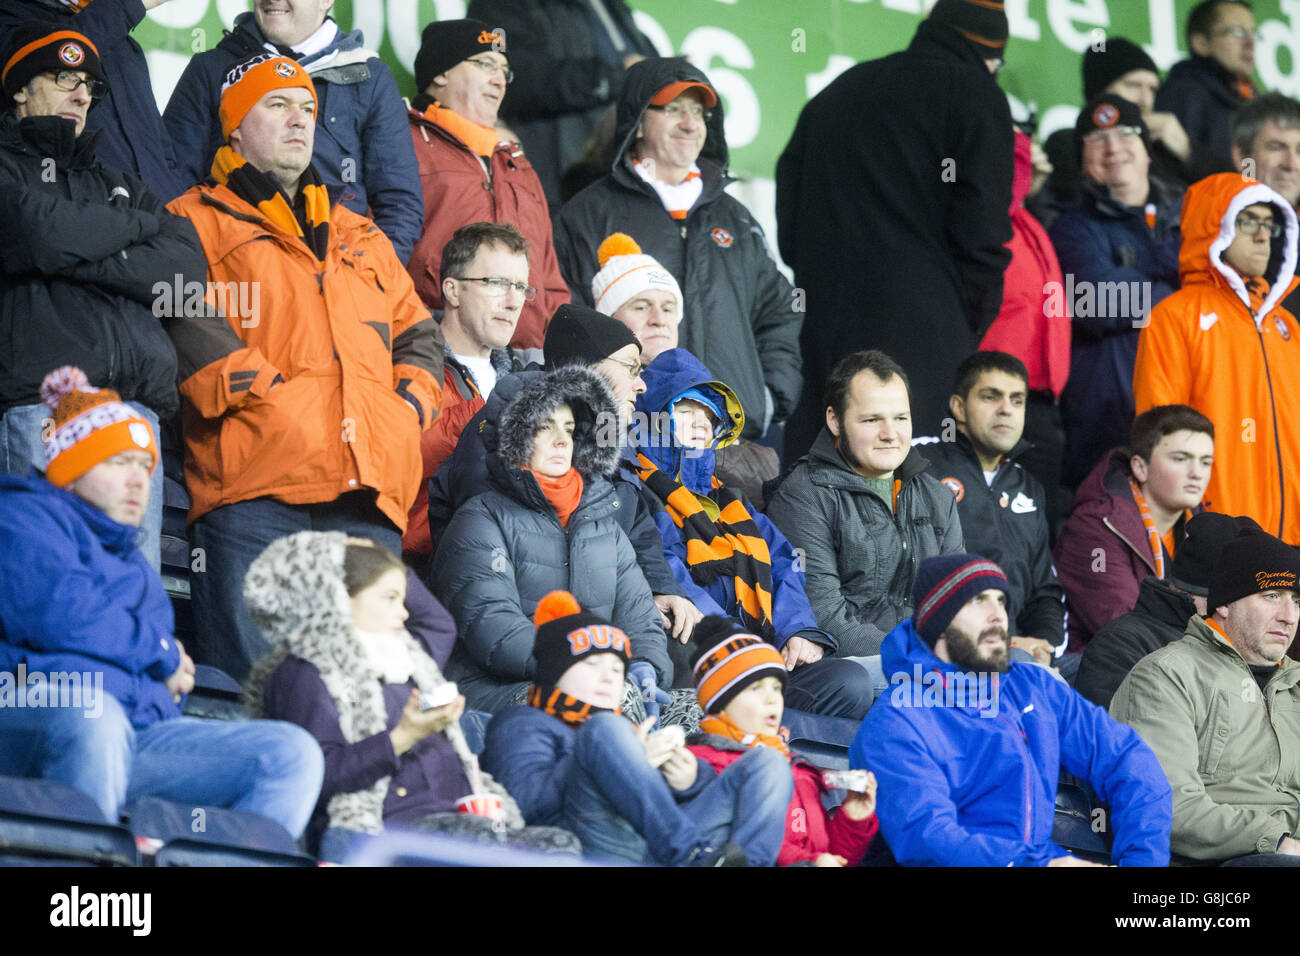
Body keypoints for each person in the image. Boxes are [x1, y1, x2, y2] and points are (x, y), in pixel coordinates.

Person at [166, 55, 444, 681]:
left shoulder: (361, 233)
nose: (300, 120)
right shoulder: (191, 219)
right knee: (256, 696)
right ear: (234, 127)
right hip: (254, 489)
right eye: (278, 105)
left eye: (309, 109)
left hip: (365, 491)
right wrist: (276, 407)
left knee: (368, 701)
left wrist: (402, 415)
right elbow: (187, 321)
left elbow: (421, 339)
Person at [0, 368, 324, 835]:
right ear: (70, 471)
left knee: (289, 753)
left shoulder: (131, 560)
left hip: (126, 736)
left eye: (144, 466)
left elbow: (155, 676)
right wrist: (165, 656)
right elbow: (65, 618)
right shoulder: (23, 517)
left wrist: (163, 677)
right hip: (36, 721)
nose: (138, 481)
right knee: (95, 716)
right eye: (118, 463)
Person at [0, 22, 208, 571]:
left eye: (89, 84)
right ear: (20, 88)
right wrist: (134, 234)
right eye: (62, 77)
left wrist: (77, 252)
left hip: (135, 409)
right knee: (53, 587)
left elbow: (186, 282)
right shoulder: (6, 170)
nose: (81, 93)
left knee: (129, 588)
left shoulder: (122, 183)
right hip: (43, 407)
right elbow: (39, 235)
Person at [244, 532, 577, 862]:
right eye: (389, 599)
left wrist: (377, 556)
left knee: (560, 845)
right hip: (386, 831)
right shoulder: (307, 672)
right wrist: (402, 737)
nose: (404, 613)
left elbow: (437, 623)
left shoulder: (406, 659)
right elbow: (319, 775)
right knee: (488, 842)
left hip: (459, 818)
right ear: (339, 599)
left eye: (403, 600)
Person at [776, 0, 1013, 454]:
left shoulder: (836, 92)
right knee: (913, 505)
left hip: (824, 332)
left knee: (813, 496)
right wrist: (967, 322)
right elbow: (982, 230)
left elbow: (790, 222)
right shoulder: (976, 94)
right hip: (925, 344)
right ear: (991, 55)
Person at [853, 553, 1172, 866]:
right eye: (978, 601)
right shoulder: (898, 718)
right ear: (938, 622)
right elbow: (930, 839)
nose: (998, 616)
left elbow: (1127, 759)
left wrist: (1144, 859)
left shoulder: (1033, 687)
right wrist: (1043, 864)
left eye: (1001, 602)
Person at [555, 57, 803, 445]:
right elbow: (567, 321)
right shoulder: (586, 215)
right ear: (637, 121)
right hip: (634, 440)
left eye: (698, 112)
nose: (690, 124)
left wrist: (768, 398)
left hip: (737, 438)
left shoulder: (735, 217)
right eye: (673, 110)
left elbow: (780, 310)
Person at [427, 303, 700, 644]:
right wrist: (588, 649)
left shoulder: (605, 438)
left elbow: (636, 527)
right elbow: (500, 575)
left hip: (597, 627)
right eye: (631, 368)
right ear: (585, 368)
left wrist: (662, 589)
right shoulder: (509, 426)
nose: (640, 386)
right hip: (531, 639)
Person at [630, 348, 874, 720]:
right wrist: (736, 643)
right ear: (652, 420)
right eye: (686, 411)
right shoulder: (638, 493)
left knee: (851, 681)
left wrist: (799, 630)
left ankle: (784, 752)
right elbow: (667, 573)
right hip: (703, 658)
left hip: (764, 656)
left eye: (709, 417)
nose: (700, 424)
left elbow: (786, 565)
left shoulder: (734, 502)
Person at [481, 591, 792, 865]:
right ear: (554, 672)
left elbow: (659, 804)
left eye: (617, 668)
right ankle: (693, 854)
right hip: (590, 845)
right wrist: (607, 760)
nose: (608, 677)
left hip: (653, 847)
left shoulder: (625, 730)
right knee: (605, 728)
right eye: (592, 664)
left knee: (767, 762)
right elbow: (522, 807)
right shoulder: (520, 722)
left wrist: (690, 781)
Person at [431, 365, 673, 715]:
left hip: (601, 683)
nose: (562, 440)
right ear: (514, 438)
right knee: (612, 707)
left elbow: (639, 617)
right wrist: (584, 666)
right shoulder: (480, 518)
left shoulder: (603, 521)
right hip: (496, 691)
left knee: (700, 714)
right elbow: (492, 628)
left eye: (570, 429)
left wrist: (644, 665)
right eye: (545, 427)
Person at [164, 0, 422, 262]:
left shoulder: (369, 76)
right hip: (233, 268)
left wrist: (365, 282)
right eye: (277, 105)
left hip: (338, 272)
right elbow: (170, 182)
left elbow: (400, 204)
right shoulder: (211, 69)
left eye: (307, 109)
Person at [766, 351, 963, 678]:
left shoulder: (938, 496)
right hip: (849, 668)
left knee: (1028, 672)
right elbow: (826, 619)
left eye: (900, 418)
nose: (891, 434)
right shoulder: (801, 496)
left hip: (930, 665)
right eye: (872, 420)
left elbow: (956, 604)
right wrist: (922, 664)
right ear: (834, 420)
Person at [1110, 527, 1300, 865]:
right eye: (1272, 595)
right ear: (1225, 604)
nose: (1289, 616)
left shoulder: (1295, 684)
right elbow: (1164, 804)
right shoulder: (1166, 675)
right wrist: (1277, 841)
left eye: (1296, 600)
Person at [1133, 173, 1300, 542]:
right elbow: (1162, 439)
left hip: (1290, 543)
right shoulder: (1172, 317)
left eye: (1269, 225)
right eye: (1247, 221)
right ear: (1215, 227)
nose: (1261, 235)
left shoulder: (1287, 325)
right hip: (1214, 540)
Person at [405, 19, 569, 349]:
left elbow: (550, 278)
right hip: (435, 353)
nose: (499, 80)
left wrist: (549, 346)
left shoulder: (518, 164)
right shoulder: (402, 145)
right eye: (485, 64)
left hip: (527, 361)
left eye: (504, 71)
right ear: (441, 72)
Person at [1048, 95, 1182, 493]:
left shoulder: (1189, 214)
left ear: (1146, 148)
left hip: (1186, 418)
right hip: (1106, 431)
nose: (1113, 148)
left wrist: (1138, 282)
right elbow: (1098, 302)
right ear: (1082, 157)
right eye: (1096, 139)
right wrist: (1181, 293)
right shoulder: (1070, 228)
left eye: (1125, 134)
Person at [593, 231, 778, 505]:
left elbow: (764, 476)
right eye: (641, 307)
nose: (659, 320)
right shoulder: (601, 395)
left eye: (668, 309)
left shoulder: (703, 384)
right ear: (608, 319)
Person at [402, 222, 543, 567]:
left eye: (521, 287)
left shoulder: (532, 376)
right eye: (497, 284)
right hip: (428, 560)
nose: (513, 302)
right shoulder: (405, 364)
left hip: (520, 561)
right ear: (452, 291)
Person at [684, 618, 878, 867]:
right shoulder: (704, 765)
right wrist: (810, 863)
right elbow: (741, 850)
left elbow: (830, 854)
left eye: (776, 688)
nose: (771, 699)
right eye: (755, 689)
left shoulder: (798, 768)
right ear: (720, 703)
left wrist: (852, 819)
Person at [921, 351, 1065, 667]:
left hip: (1022, 653)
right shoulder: (920, 467)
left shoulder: (1028, 487)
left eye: (1017, 400)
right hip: (947, 651)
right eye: (991, 397)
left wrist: (1046, 644)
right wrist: (1011, 644)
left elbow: (1045, 593)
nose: (1006, 410)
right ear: (959, 407)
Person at [465, 0, 656, 208]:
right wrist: (611, 78)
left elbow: (645, 70)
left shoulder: (613, 7)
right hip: (555, 187)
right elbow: (513, 79)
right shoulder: (501, 6)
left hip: (620, 184)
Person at [1054, 405, 1214, 652]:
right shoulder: (1096, 527)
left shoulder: (1205, 527)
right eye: (1180, 459)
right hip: (1099, 669)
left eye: (1205, 462)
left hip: (1175, 664)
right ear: (1140, 467)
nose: (1196, 474)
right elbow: (1124, 627)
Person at [976, 131, 1071, 532]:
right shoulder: (984, 226)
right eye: (1016, 162)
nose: (1025, 171)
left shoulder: (1028, 223)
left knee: (1037, 527)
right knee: (995, 525)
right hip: (995, 401)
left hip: (1040, 405)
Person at [0, 1, 187, 200]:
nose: (82, 96)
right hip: (90, 210)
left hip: (159, 211)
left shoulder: (123, 43)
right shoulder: (10, 19)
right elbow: (66, 48)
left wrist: (173, 189)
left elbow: (157, 141)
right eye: (65, 78)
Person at [1036, 37, 1223, 228]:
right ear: (1099, 88)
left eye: (1152, 89)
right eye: (1133, 85)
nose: (1145, 100)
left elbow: (1232, 196)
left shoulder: (1164, 150)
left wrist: (1187, 150)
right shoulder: (1066, 143)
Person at [1077, 513, 1258, 709]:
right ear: (1224, 604)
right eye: (1265, 598)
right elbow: (1118, 734)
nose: (1285, 616)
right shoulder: (1122, 645)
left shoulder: (1262, 645)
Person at [1156, 0, 1258, 172]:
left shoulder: (1251, 100)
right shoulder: (1184, 93)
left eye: (1254, 33)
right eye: (1237, 32)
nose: (1250, 43)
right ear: (1201, 44)